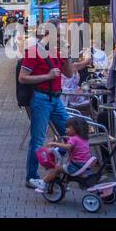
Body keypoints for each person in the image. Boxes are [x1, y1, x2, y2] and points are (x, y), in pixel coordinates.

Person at [20, 23, 91, 190]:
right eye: (58, 35)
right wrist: (47, 76)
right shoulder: (33, 52)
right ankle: (31, 177)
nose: (61, 38)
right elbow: (22, 78)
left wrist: (67, 57)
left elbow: (68, 73)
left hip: (57, 99)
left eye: (61, 35)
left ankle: (67, 167)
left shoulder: (59, 51)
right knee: (38, 140)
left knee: (71, 135)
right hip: (41, 98)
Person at [37, 115, 96, 193]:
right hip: (85, 163)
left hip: (76, 165)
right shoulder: (84, 137)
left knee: (56, 169)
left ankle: (43, 183)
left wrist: (54, 143)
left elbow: (68, 146)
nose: (65, 129)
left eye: (68, 128)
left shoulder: (74, 139)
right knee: (65, 167)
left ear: (75, 129)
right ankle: (64, 185)